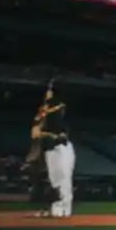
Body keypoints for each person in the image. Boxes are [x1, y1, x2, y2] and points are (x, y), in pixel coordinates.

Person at [28, 80, 75, 218]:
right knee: (56, 179)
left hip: (63, 147)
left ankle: (64, 209)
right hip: (50, 148)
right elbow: (35, 133)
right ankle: (57, 209)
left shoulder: (57, 108)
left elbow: (59, 108)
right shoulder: (42, 114)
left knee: (64, 177)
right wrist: (50, 135)